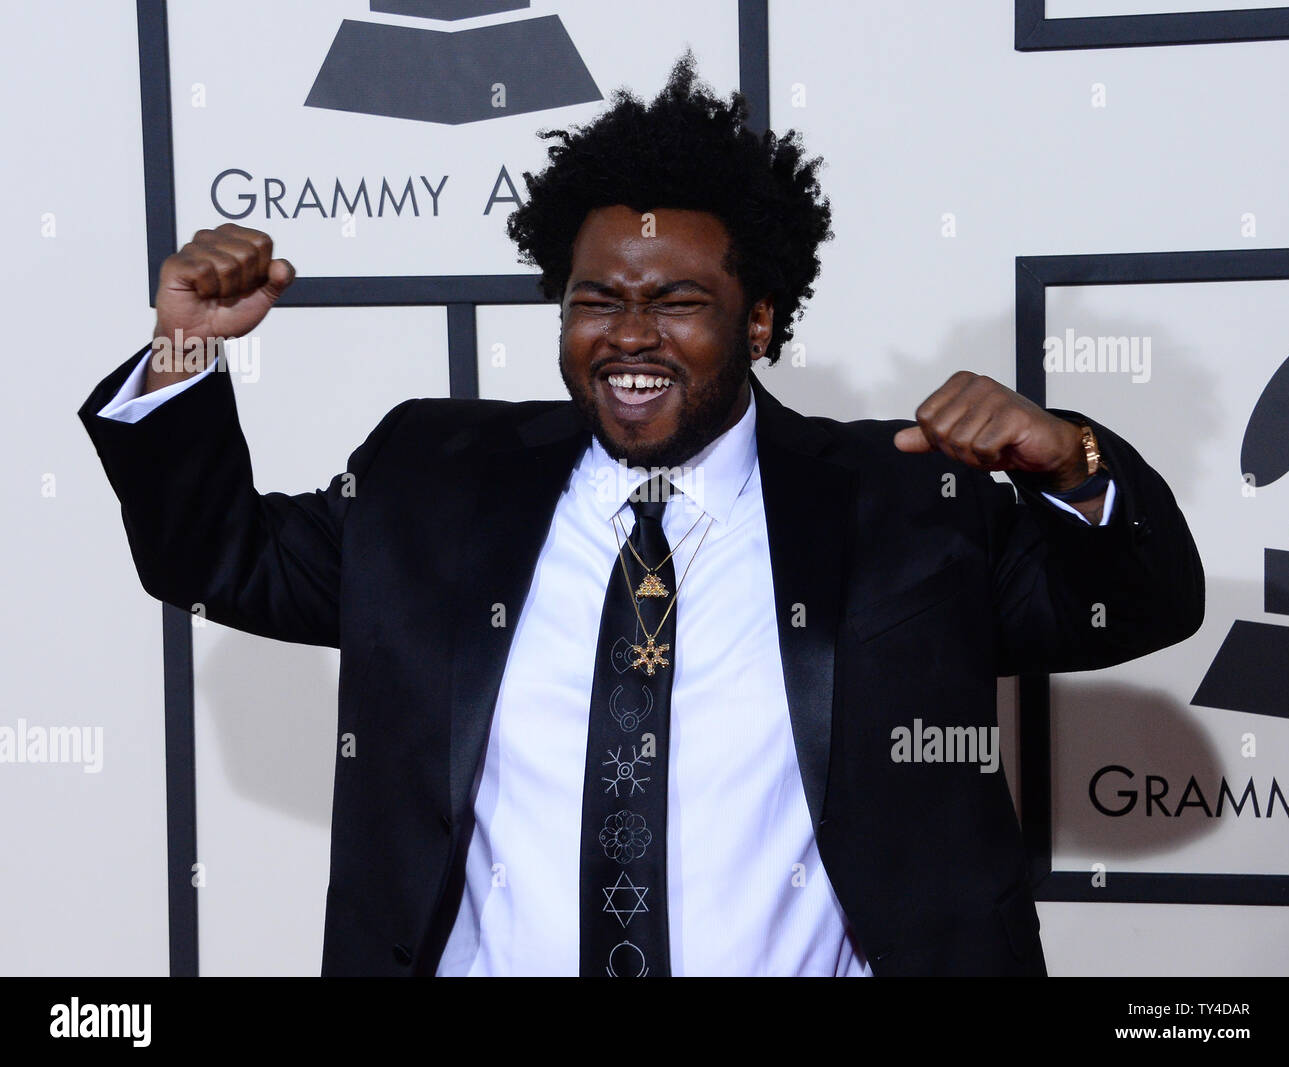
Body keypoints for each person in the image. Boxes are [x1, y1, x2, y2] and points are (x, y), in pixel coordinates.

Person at [78, 54, 1204, 976]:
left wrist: (1075, 459)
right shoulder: (432, 475)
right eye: (596, 300)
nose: (629, 335)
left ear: (759, 320)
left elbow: (1136, 605)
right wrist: (182, 349)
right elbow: (213, 559)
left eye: (677, 302)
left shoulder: (904, 498)